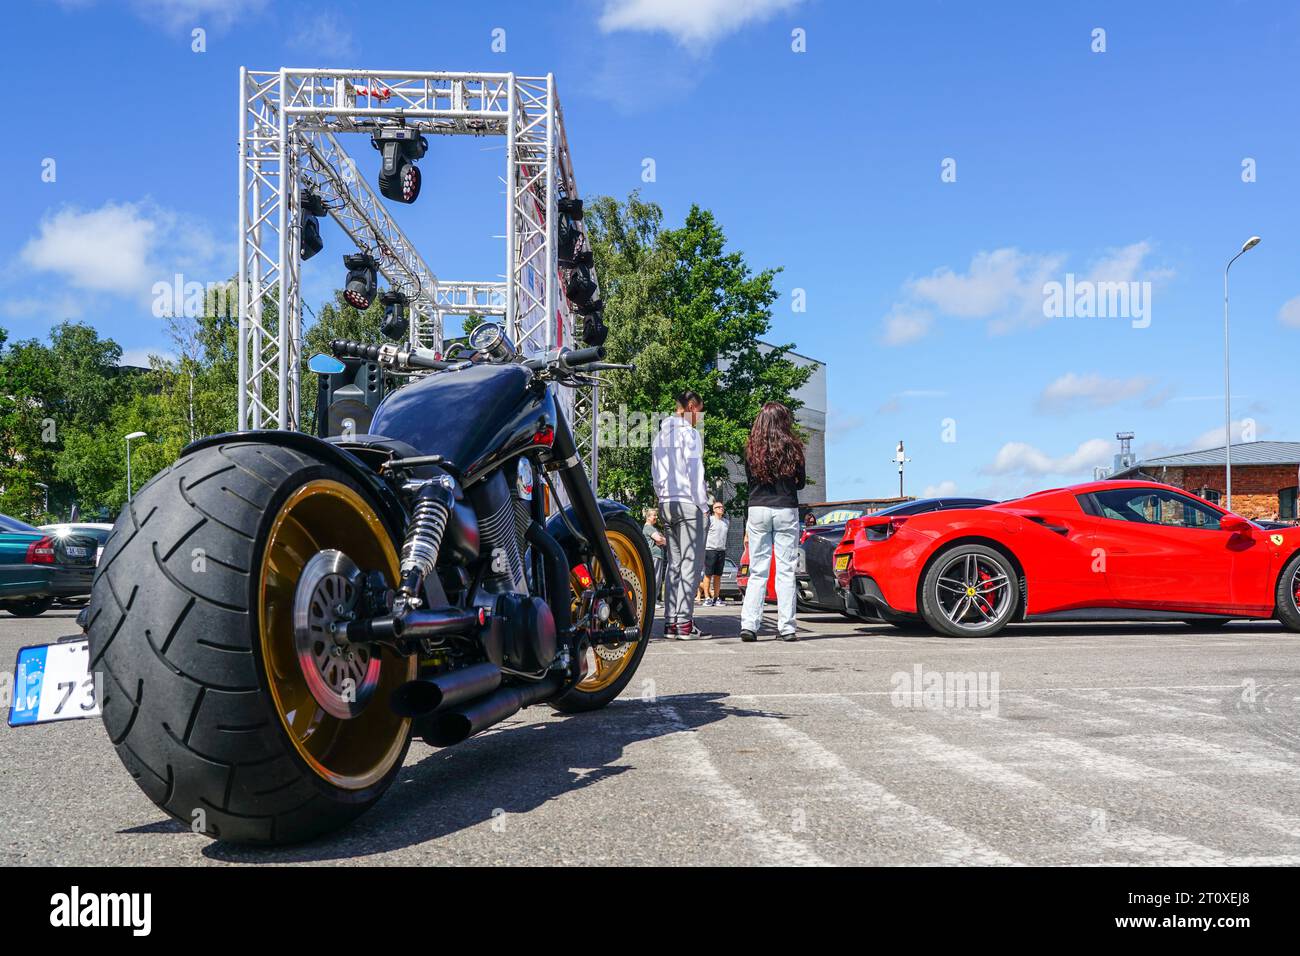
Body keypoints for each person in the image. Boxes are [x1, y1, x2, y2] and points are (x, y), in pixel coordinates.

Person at [739, 402, 805, 643]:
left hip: (757, 507)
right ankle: (787, 627)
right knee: (786, 570)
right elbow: (801, 483)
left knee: (758, 569)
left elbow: (748, 480)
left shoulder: (751, 448)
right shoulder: (794, 448)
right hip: (786, 507)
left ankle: (749, 625)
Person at [652, 390, 709, 639]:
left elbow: (655, 473)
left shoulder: (659, 436)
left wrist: (662, 497)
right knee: (690, 565)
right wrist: (703, 505)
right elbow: (696, 471)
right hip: (688, 504)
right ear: (692, 408)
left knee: (673, 565)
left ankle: (671, 623)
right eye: (700, 412)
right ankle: (685, 624)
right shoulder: (690, 434)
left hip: (666, 503)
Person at [703, 500, 730, 605]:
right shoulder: (710, 520)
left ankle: (716, 597)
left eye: (722, 507)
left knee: (718, 575)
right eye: (718, 507)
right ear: (714, 510)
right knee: (708, 574)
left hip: (721, 550)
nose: (721, 508)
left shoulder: (726, 522)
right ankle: (706, 598)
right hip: (710, 550)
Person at [641, 507, 667, 605]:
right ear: (648, 517)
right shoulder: (649, 528)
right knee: (655, 579)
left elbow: (660, 539)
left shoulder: (652, 528)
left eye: (656, 515)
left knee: (658, 579)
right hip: (654, 555)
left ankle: (654, 601)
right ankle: (651, 602)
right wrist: (663, 540)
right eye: (654, 515)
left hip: (657, 556)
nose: (656, 517)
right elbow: (659, 539)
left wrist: (661, 540)